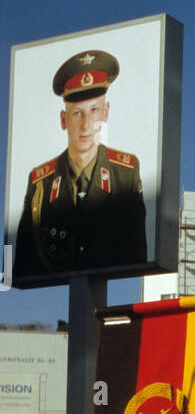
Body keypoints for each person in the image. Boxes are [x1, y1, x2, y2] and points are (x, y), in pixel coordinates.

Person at [13, 49, 147, 279]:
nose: (86, 125)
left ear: (105, 113)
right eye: (77, 113)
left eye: (94, 110)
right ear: (63, 120)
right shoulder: (40, 182)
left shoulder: (125, 172)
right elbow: (20, 263)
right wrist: (5, 279)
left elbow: (137, 254)